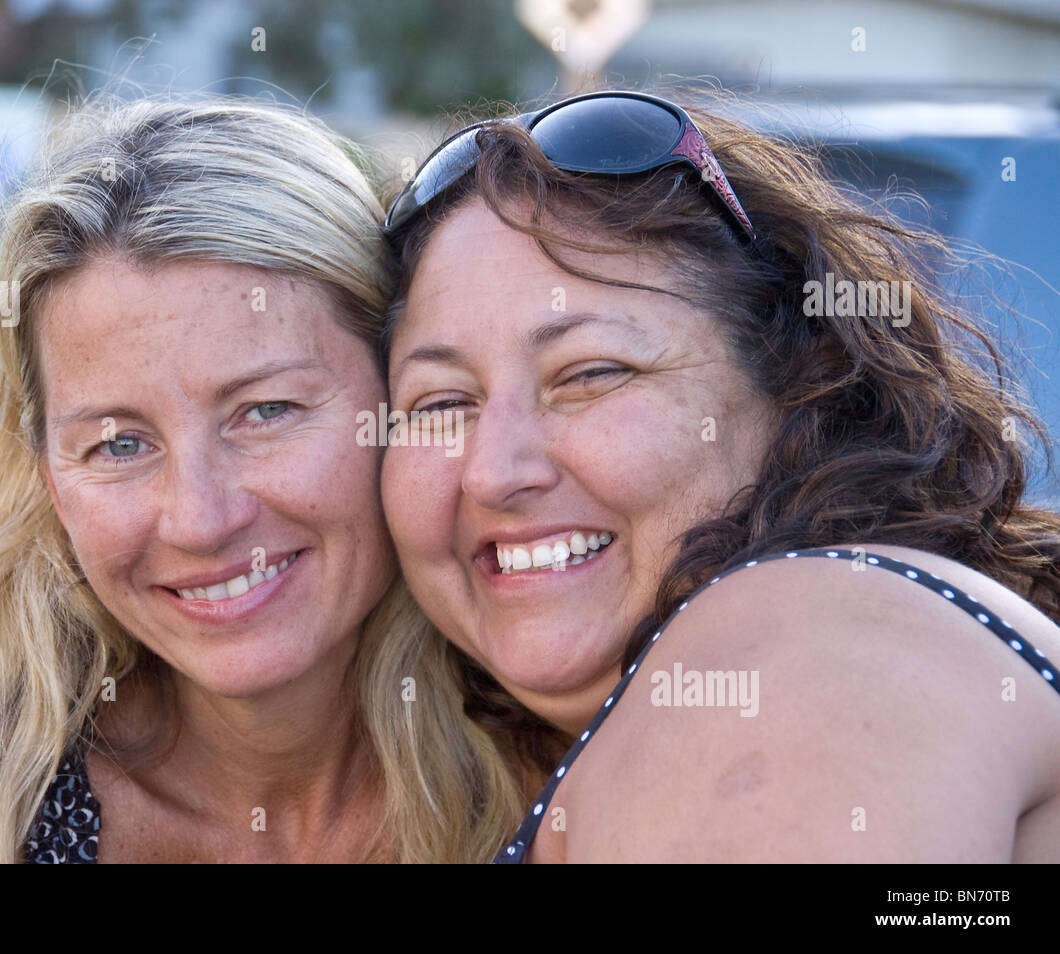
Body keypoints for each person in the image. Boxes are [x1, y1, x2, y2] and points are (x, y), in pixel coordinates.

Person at [0, 95, 526, 863]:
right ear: (49, 482)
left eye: (264, 411)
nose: (200, 519)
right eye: (120, 444)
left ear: (398, 400)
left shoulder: (562, 796)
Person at [378, 89, 1060, 862]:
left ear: (799, 387)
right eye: (441, 403)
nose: (494, 472)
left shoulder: (797, 643)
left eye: (591, 374)